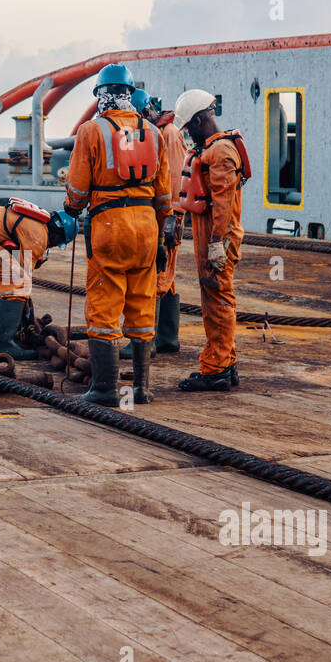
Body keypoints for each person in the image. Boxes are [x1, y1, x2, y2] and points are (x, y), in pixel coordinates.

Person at [63, 64, 172, 406]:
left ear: (101, 95)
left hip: (110, 228)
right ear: (128, 94)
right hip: (147, 228)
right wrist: (160, 231)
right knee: (141, 303)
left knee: (104, 304)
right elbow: (165, 195)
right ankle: (141, 388)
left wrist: (71, 210)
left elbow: (78, 189)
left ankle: (106, 389)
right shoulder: (153, 132)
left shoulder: (91, 130)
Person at [172, 89, 245, 392]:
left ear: (201, 119)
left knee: (217, 299)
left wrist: (217, 248)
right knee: (215, 298)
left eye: (189, 126)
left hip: (219, 242)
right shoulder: (212, 150)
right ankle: (224, 363)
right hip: (213, 240)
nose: (188, 133)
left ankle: (216, 368)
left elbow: (224, 207)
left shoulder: (220, 153)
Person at [0, 201, 77, 359]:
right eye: (58, 243)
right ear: (59, 235)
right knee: (17, 284)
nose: (53, 245)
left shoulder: (33, 223)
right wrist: (25, 315)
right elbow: (25, 273)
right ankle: (4, 345)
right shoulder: (39, 233)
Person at [120, 88, 185, 357]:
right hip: (161, 213)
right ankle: (168, 338)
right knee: (166, 278)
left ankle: (148, 342)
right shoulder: (152, 134)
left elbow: (175, 178)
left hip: (167, 216)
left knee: (156, 275)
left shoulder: (167, 134)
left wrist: (169, 218)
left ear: (146, 112)